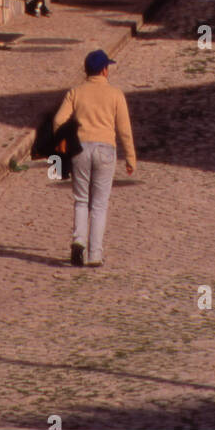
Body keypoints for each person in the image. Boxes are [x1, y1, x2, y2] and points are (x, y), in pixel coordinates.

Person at [53, 49, 136, 268]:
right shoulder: (116, 94)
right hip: (105, 150)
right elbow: (124, 129)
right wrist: (130, 157)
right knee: (99, 204)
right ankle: (95, 254)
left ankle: (78, 240)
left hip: (80, 149)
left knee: (81, 200)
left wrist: (65, 141)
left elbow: (58, 120)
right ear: (104, 70)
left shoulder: (75, 92)